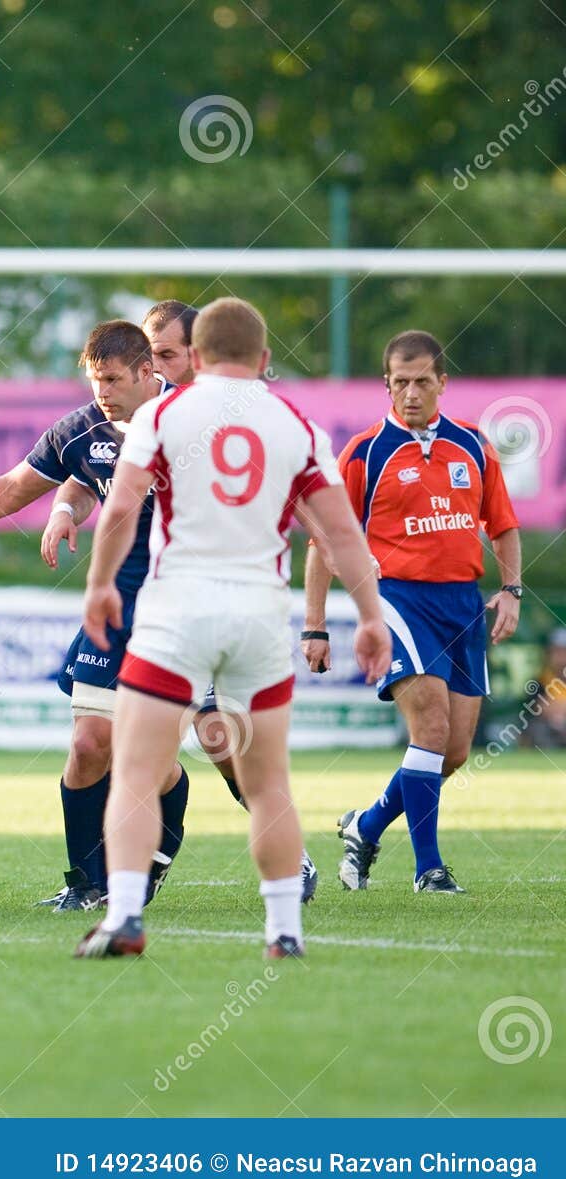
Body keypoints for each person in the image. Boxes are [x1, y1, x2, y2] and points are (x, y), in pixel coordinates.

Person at [74, 297, 390, 959]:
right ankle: (284, 932)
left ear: (194, 357)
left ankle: (125, 918)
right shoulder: (294, 422)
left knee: (134, 770)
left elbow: (122, 506)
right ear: (265, 358)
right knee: (268, 781)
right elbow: (339, 532)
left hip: (176, 610)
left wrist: (100, 585)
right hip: (257, 617)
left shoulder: (163, 412)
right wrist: (367, 616)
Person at [0, 320, 190, 912]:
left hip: (185, 608)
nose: (103, 392)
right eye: (96, 379)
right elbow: (12, 486)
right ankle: (85, 883)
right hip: (117, 605)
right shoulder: (83, 431)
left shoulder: (192, 423)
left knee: (152, 757)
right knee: (88, 743)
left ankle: (152, 864)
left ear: (150, 372)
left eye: (114, 379)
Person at [40, 302, 309, 896]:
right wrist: (81, 543)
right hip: (134, 608)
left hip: (205, 602)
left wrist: (328, 604)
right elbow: (102, 484)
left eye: (165, 353)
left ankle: (285, 870)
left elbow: (309, 504)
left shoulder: (222, 421)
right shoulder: (116, 427)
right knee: (108, 749)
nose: (156, 363)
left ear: (195, 356)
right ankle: (107, 891)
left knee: (220, 738)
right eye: (149, 352)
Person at [304, 330, 521, 893]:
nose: (411, 393)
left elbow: (502, 524)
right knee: (430, 725)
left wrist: (513, 590)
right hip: (397, 600)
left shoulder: (474, 445)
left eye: (423, 381)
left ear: (442, 382)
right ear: (386, 385)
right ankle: (429, 869)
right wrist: (316, 624)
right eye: (400, 383)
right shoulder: (364, 452)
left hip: (463, 604)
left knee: (452, 752)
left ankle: (366, 826)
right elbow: (324, 542)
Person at [521, 630, 566, 749]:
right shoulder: (539, 681)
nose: (561, 657)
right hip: (547, 730)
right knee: (539, 728)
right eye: (557, 652)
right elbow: (539, 708)